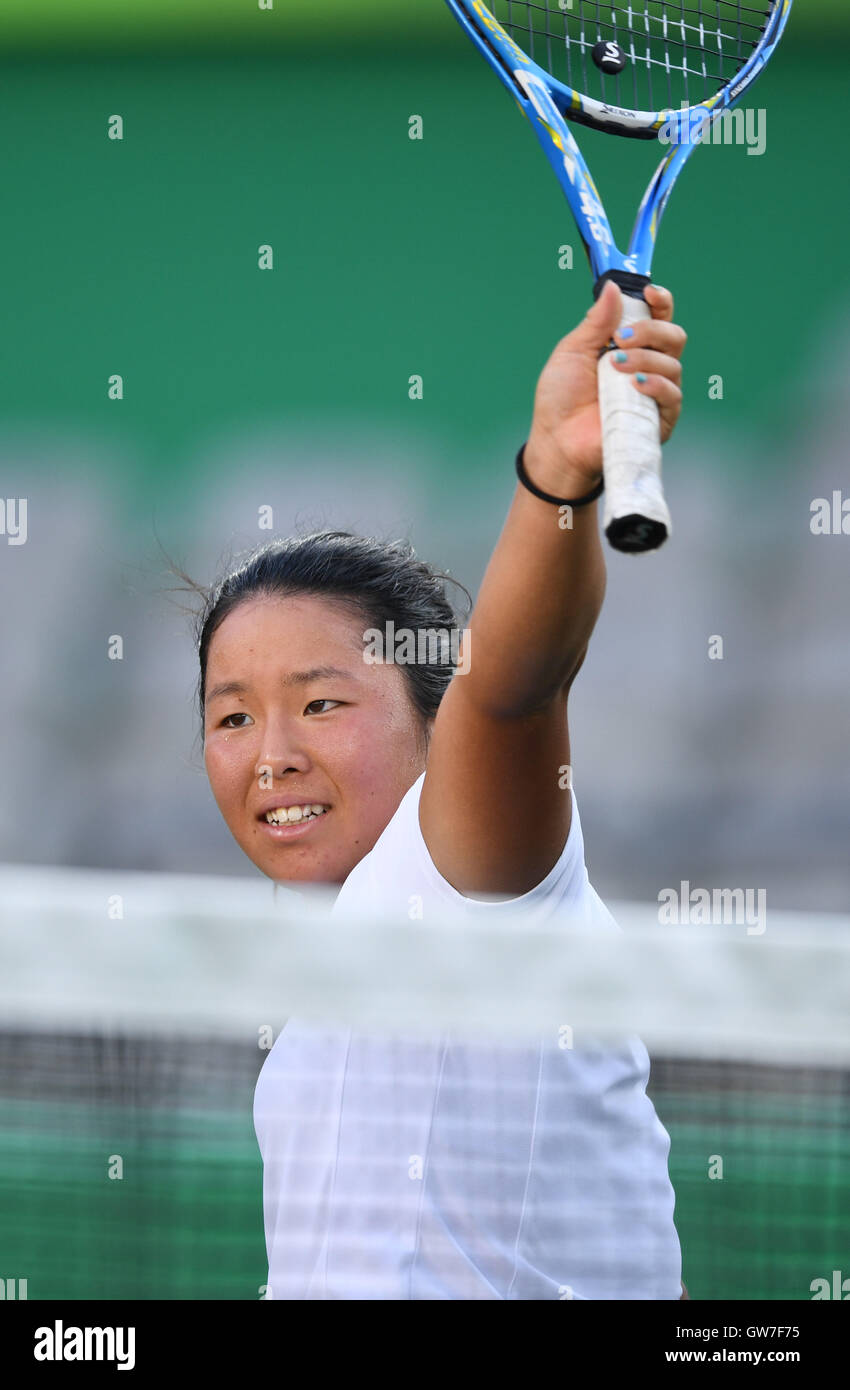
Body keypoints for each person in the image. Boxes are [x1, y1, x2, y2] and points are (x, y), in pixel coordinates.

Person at [192, 281, 688, 1299]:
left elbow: (509, 691)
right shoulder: (321, 995)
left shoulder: (465, 881)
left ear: (431, 719)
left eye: (321, 704)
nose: (269, 754)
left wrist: (554, 478)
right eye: (232, 716)